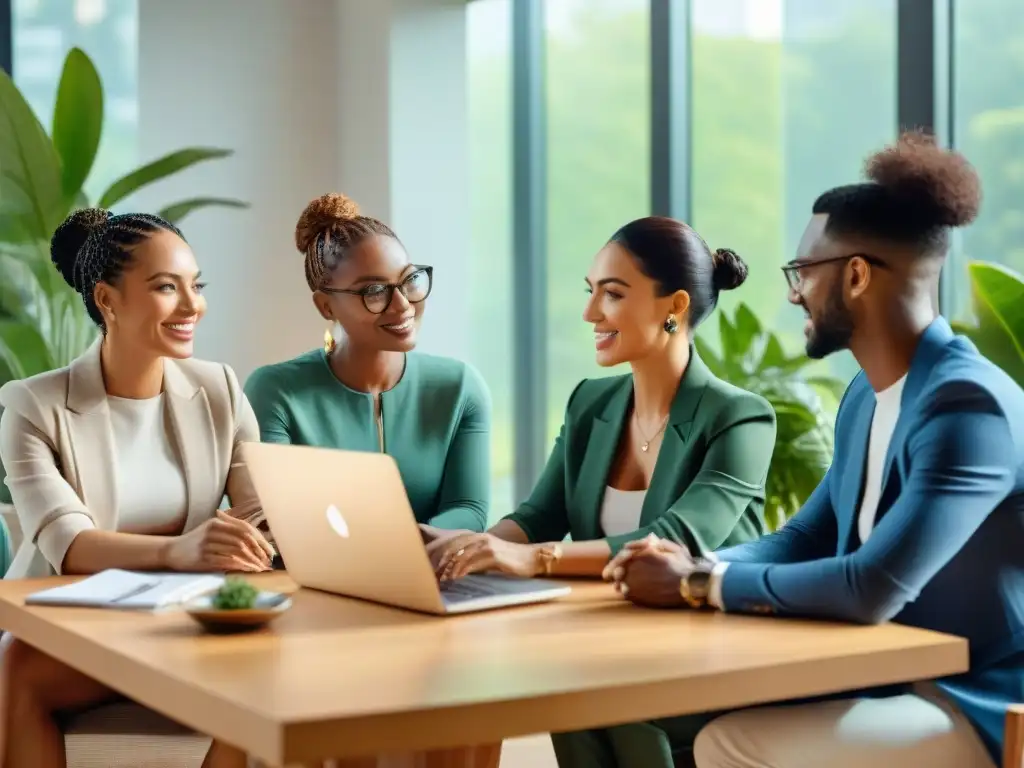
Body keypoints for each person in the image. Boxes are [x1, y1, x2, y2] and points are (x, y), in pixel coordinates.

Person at [608, 132, 1024, 768]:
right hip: (883, 673)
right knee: (708, 718)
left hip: (975, 701)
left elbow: (871, 585)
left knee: (731, 742)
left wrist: (696, 583)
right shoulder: (866, 394)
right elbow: (804, 535)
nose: (792, 292)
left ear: (856, 274)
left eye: (803, 272)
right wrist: (692, 556)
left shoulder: (968, 406)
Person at [429, 216, 779, 767]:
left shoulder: (739, 417)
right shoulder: (590, 404)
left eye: (612, 294)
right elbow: (539, 514)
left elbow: (674, 540)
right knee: (537, 683)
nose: (591, 313)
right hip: (607, 641)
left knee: (592, 692)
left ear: (675, 306)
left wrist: (533, 560)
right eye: (590, 293)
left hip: (706, 651)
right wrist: (467, 547)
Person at [0, 208, 272, 768]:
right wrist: (181, 550)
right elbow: (69, 546)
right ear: (107, 300)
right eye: (166, 288)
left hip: (192, 620)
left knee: (272, 668)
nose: (192, 305)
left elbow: (260, 510)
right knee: (17, 667)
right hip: (79, 627)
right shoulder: (32, 407)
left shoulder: (219, 388)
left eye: (196, 286)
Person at [243, 193, 491, 534]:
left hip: (436, 576)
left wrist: (405, 545)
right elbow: (278, 518)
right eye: (374, 291)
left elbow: (469, 510)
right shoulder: (276, 391)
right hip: (321, 578)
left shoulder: (460, 387)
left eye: (409, 280)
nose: (402, 305)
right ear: (326, 306)